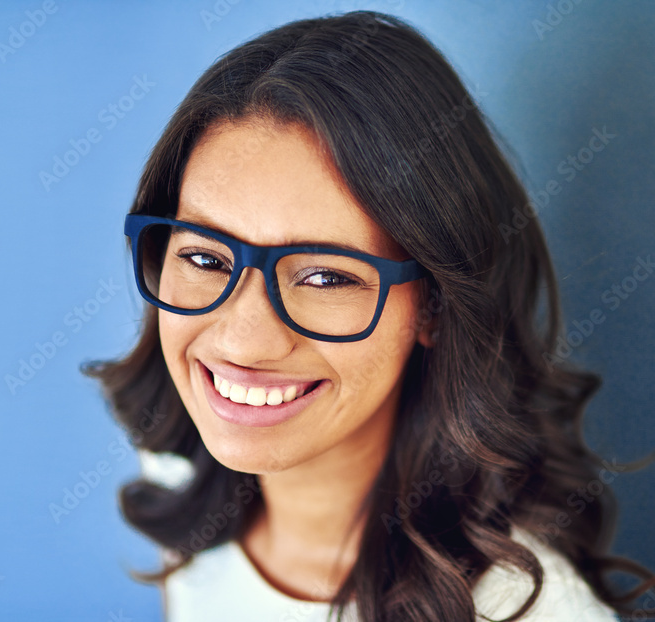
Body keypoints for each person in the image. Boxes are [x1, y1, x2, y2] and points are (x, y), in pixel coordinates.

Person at [82, 11, 655, 622]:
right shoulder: (179, 471)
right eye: (203, 256)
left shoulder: (526, 611)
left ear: (434, 305)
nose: (243, 338)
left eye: (326, 276)